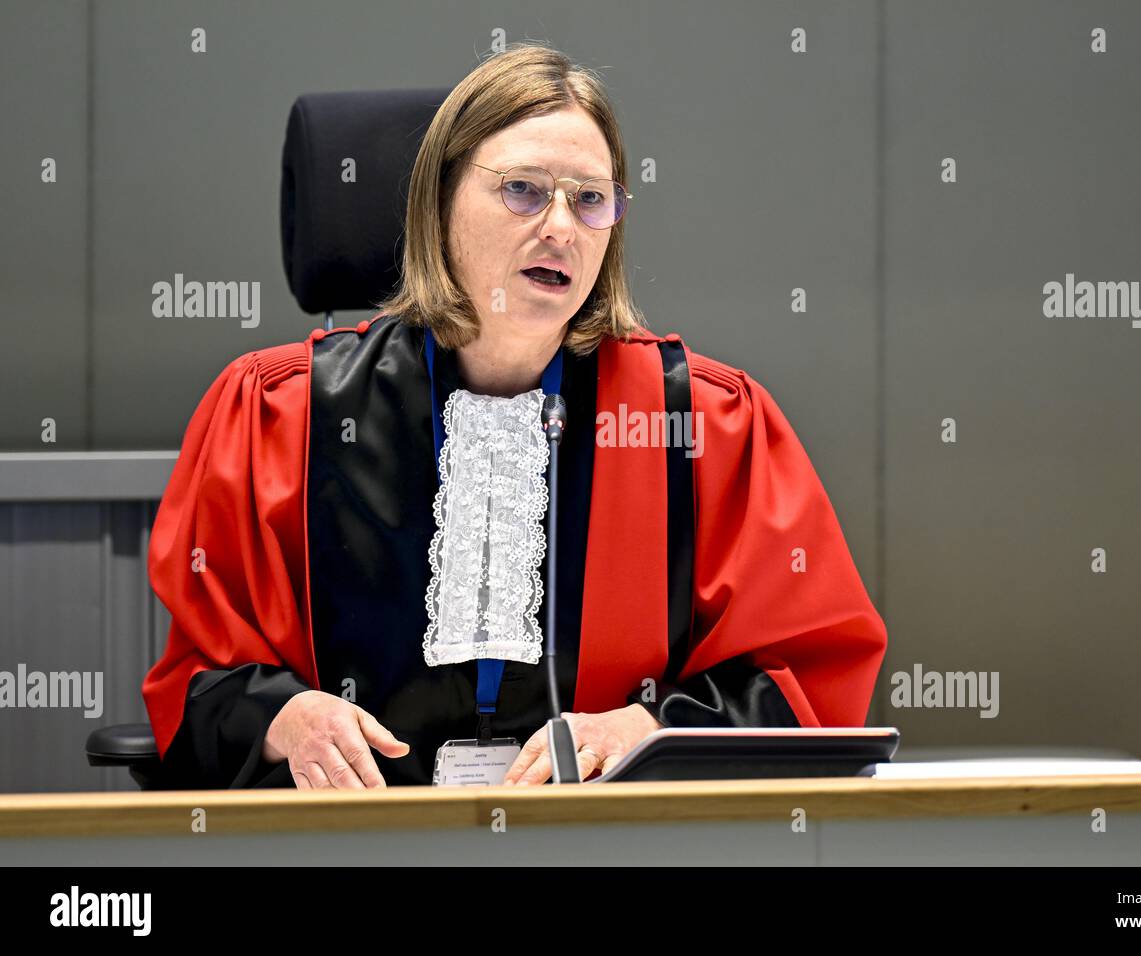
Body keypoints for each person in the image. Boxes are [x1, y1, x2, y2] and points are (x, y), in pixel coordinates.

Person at [142, 42, 887, 790]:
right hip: (357, 835)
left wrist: (655, 727)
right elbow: (201, 681)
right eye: (524, 190)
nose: (561, 227)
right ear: (440, 202)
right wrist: (285, 717)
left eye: (590, 199)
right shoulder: (283, 413)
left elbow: (809, 682)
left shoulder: (703, 424)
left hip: (607, 837)